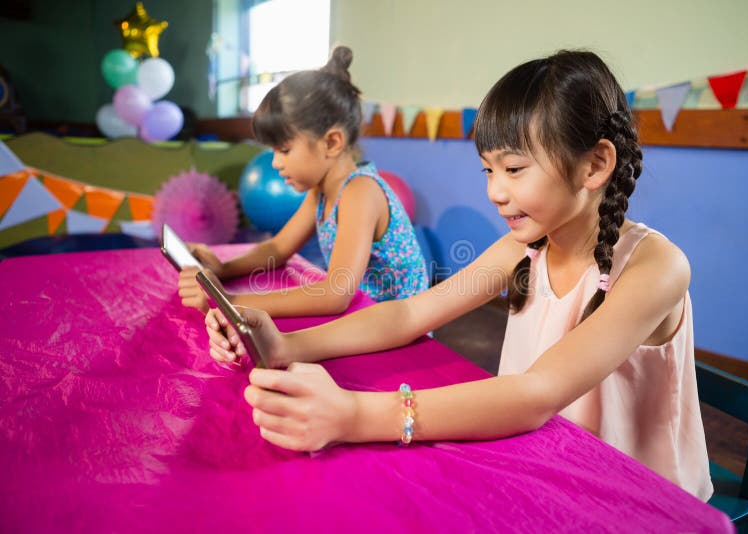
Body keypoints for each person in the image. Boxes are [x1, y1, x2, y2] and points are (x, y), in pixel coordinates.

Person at [204, 50, 713, 501]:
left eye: (513, 169)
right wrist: (284, 346)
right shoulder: (523, 247)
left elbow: (537, 392)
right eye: (488, 171)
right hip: (541, 459)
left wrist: (355, 415)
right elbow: (410, 313)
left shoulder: (656, 267)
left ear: (596, 164)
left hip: (630, 492)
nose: (494, 191)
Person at [178, 46, 429, 316]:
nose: (274, 163)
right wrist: (223, 269)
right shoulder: (322, 192)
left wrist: (229, 302)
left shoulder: (360, 192)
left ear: (331, 142)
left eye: (284, 150)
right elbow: (278, 247)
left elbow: (336, 293)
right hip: (363, 320)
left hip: (399, 330)